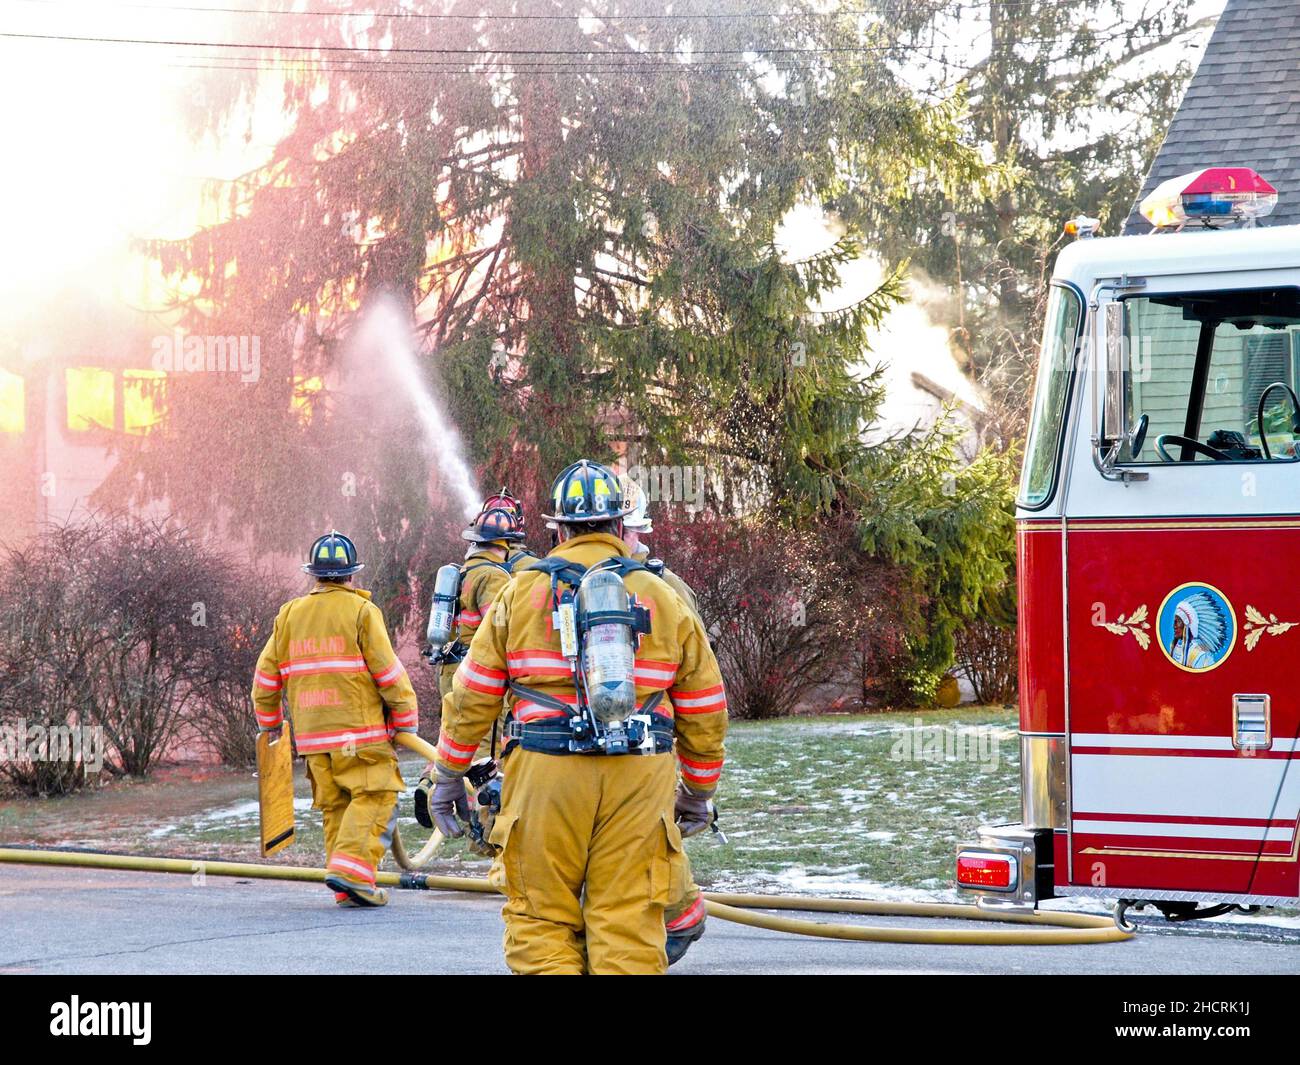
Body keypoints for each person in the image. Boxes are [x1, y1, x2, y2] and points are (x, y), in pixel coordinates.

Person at [428, 460, 728, 974]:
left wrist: (449, 777)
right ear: (620, 527)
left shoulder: (519, 593)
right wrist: (698, 793)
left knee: (541, 921)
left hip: (544, 775)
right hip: (640, 776)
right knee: (629, 924)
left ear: (557, 529)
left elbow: (470, 697)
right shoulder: (662, 594)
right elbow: (705, 707)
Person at [251, 531, 418, 907]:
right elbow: (389, 674)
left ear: (315, 575)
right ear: (351, 575)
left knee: (337, 806)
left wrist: (270, 727)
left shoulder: (289, 615)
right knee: (376, 794)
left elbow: (264, 679)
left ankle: (347, 888)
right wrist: (406, 721)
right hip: (359, 734)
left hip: (312, 740)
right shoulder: (362, 612)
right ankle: (352, 870)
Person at [620, 474, 709, 962]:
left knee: (647, 839)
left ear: (637, 532)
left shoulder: (665, 588)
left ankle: (679, 915)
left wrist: (698, 784)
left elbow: (697, 679)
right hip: (591, 743)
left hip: (645, 745)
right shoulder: (567, 582)